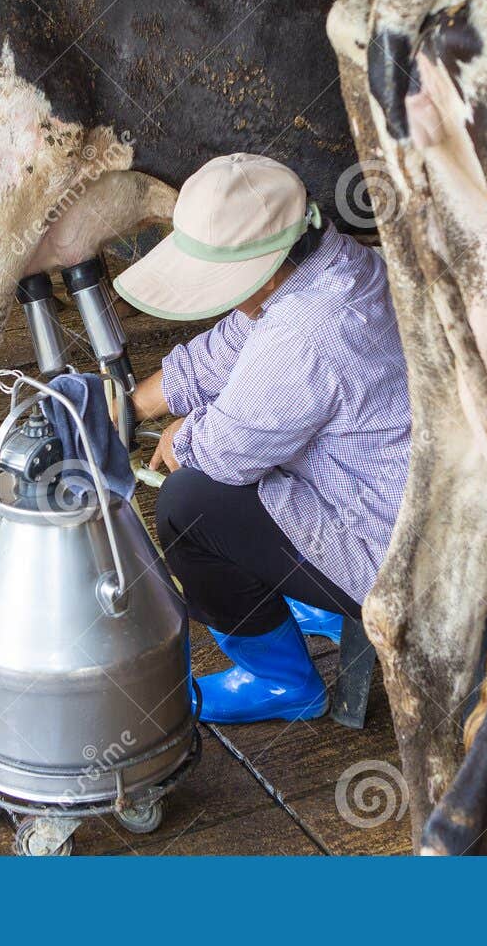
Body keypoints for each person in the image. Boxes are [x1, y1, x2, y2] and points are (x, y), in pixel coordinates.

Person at [113, 154, 411, 724]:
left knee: (189, 506)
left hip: (388, 552)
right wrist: (130, 407)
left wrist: (181, 436)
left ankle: (282, 682)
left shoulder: (309, 330)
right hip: (392, 493)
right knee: (237, 476)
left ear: (264, 266)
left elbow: (221, 451)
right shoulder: (332, 259)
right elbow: (231, 347)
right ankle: (314, 610)